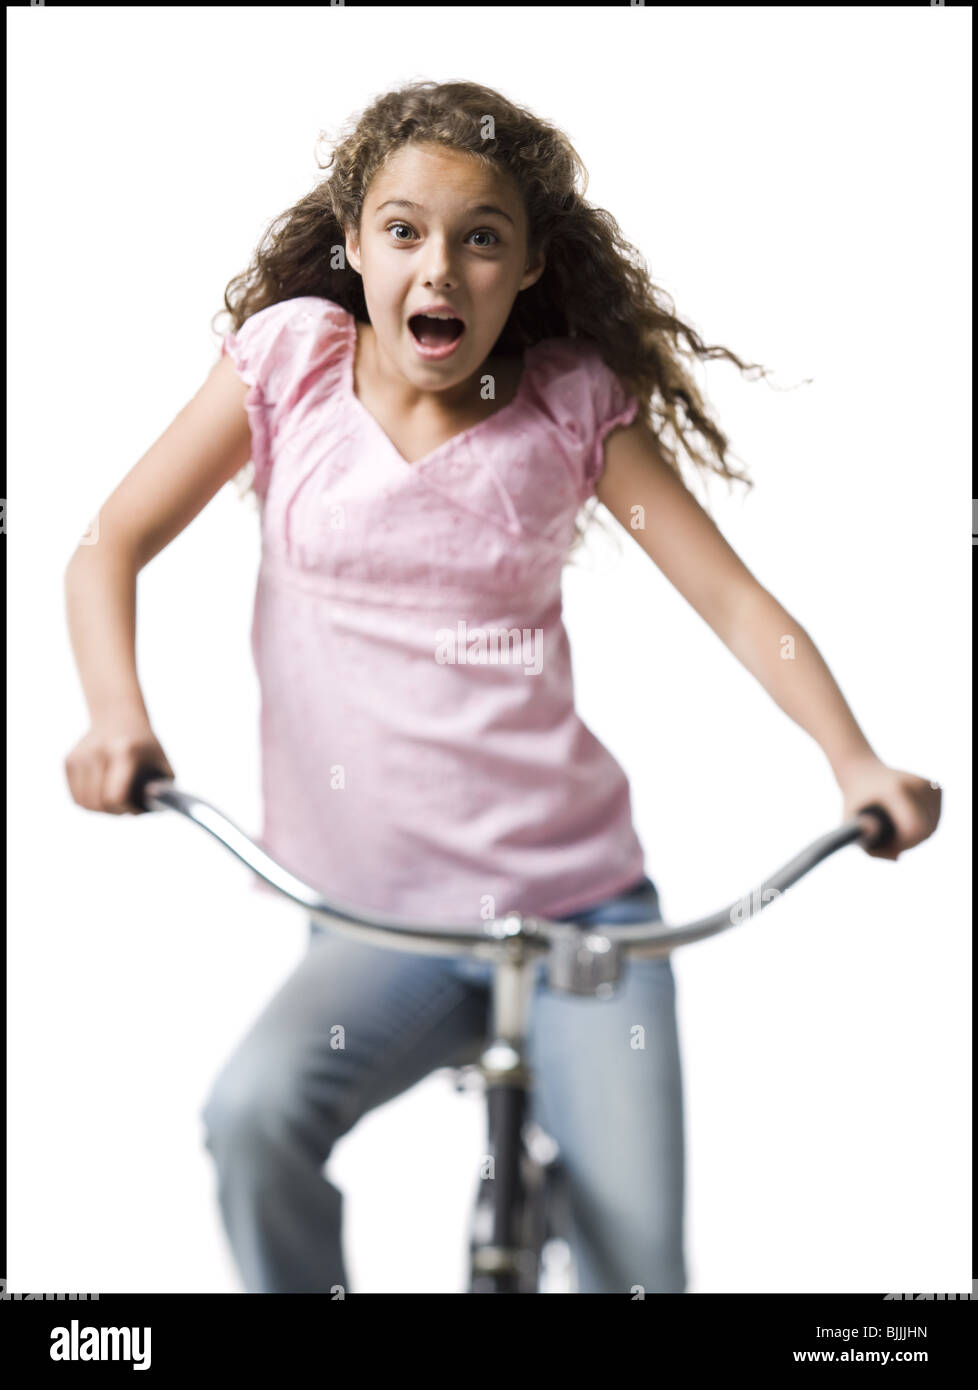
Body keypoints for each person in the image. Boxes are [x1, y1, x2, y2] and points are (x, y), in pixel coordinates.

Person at [63, 79, 942, 1294]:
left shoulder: (570, 406)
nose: (442, 267)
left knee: (641, 1272)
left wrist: (855, 762)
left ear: (528, 266)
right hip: (382, 922)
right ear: (355, 242)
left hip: (580, 917)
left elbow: (739, 606)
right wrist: (120, 717)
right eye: (406, 230)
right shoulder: (289, 370)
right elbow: (108, 542)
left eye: (483, 238)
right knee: (254, 1117)